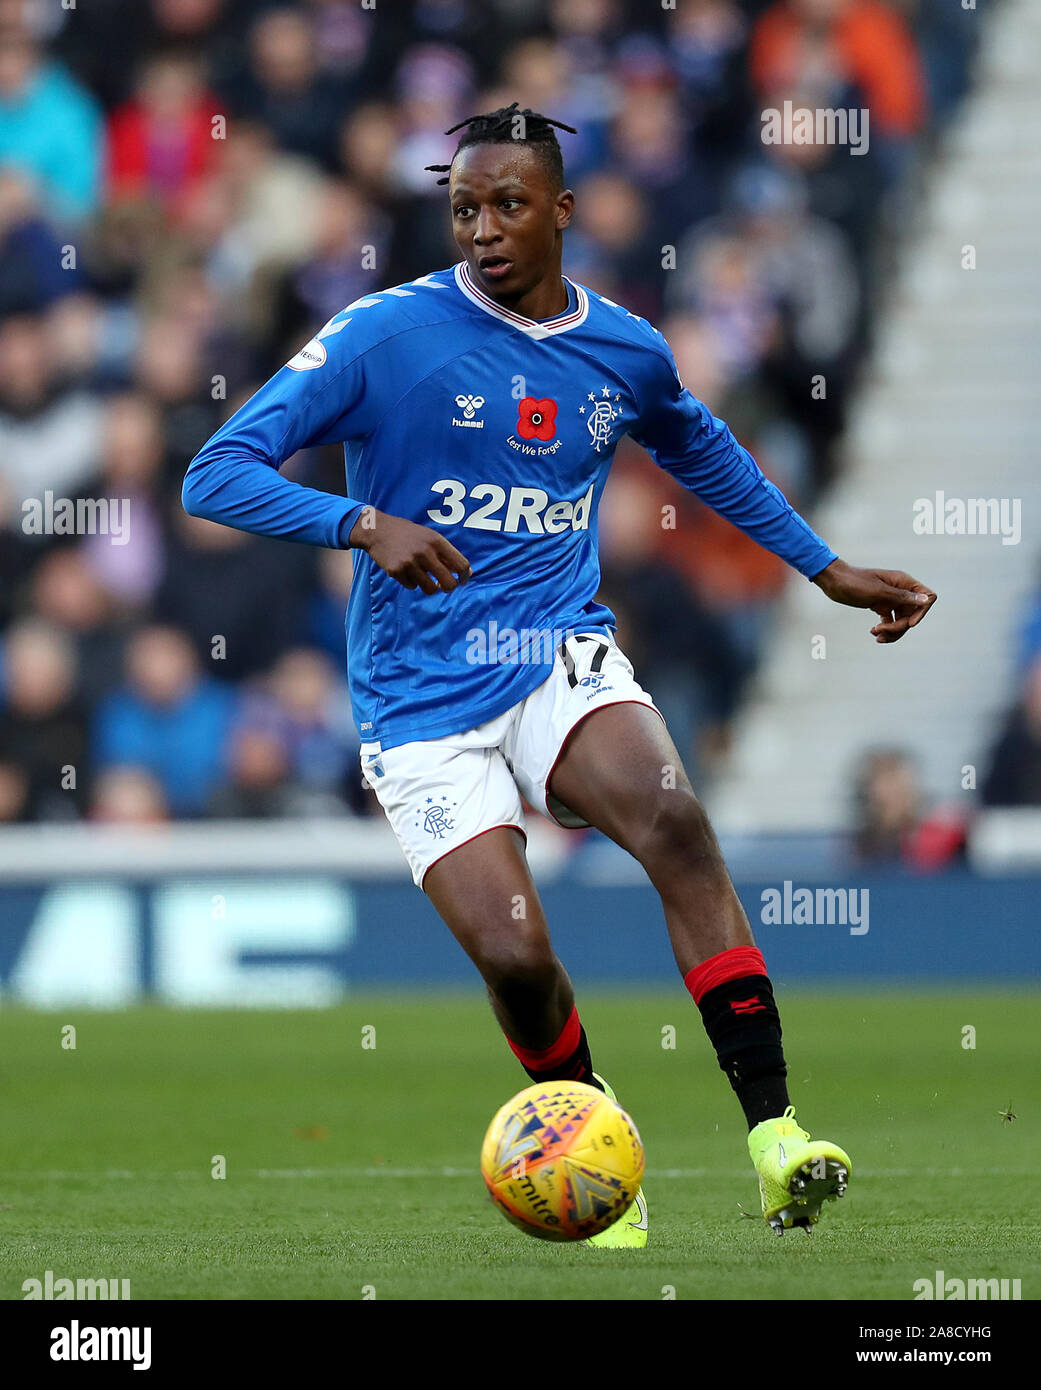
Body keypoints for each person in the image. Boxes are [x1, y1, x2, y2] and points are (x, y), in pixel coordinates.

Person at [182, 104, 936, 1244]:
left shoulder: (621, 349)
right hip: (417, 701)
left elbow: (704, 449)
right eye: (464, 209)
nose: (483, 229)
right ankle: (600, 1141)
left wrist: (822, 567)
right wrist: (359, 522)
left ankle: (779, 1137)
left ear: (563, 212)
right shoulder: (383, 336)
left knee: (677, 825)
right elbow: (214, 470)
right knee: (518, 955)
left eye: (508, 205)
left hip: (554, 651)